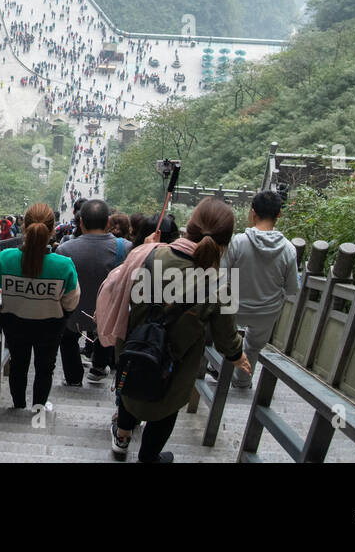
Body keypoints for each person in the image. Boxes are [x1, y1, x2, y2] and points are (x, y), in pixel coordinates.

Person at [98, 197, 250, 463]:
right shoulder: (220, 283)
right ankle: (149, 457)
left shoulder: (149, 254)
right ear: (225, 242)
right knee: (165, 409)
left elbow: (118, 287)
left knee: (129, 387)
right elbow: (226, 338)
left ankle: (122, 436)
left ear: (188, 226)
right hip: (174, 363)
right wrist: (238, 355)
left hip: (134, 347)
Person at [0, 203, 79, 414]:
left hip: (15, 323)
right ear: (52, 229)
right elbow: (71, 302)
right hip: (51, 325)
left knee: (18, 364)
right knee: (45, 367)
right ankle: (38, 408)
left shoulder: (6, 258)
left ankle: (18, 405)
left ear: (24, 227)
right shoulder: (64, 264)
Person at [223, 190, 299, 389]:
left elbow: (221, 275)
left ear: (253, 212)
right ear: (279, 215)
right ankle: (243, 380)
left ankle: (219, 368)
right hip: (266, 312)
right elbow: (292, 288)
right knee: (254, 346)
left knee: (221, 332)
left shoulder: (238, 242)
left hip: (233, 308)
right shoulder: (289, 249)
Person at [55, 202, 131, 387]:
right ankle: (98, 368)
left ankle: (73, 377)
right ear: (108, 222)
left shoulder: (65, 250)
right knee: (105, 330)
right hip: (108, 315)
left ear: (81, 222)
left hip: (74, 314)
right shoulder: (126, 248)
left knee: (68, 338)